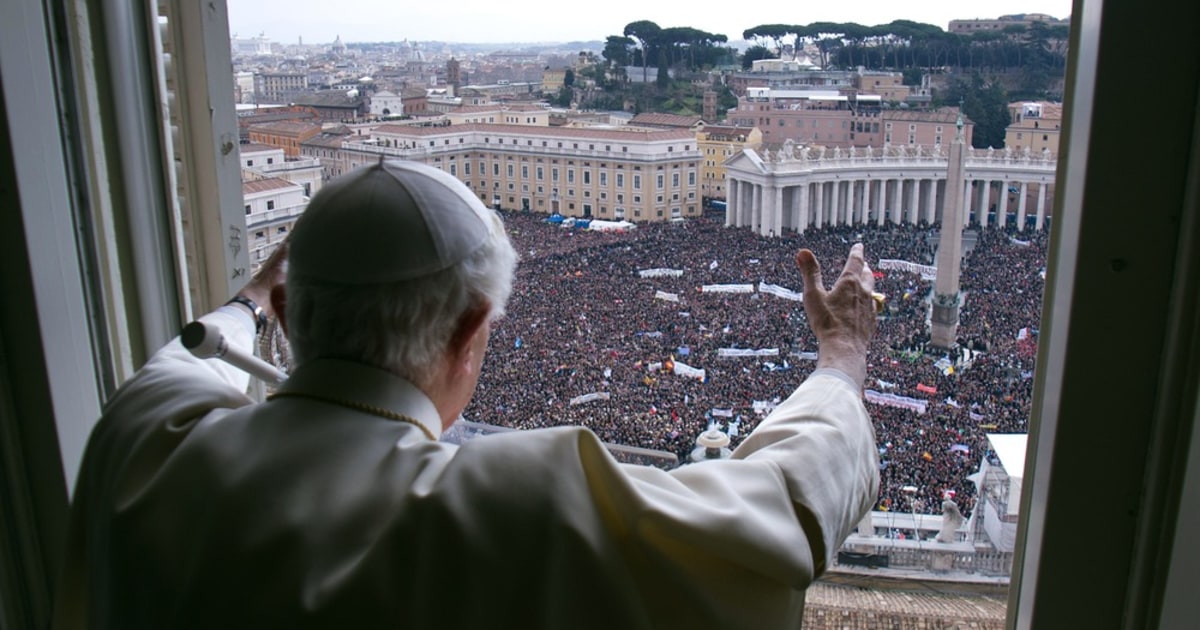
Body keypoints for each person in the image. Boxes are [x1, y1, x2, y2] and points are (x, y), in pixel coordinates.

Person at [53, 160, 879, 629]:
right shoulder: (518, 505)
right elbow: (782, 517)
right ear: (470, 331)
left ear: (292, 315)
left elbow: (187, 360)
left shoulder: (143, 439)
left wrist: (251, 302)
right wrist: (841, 358)